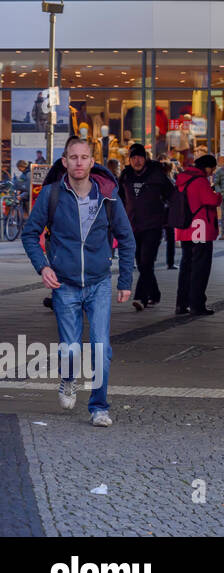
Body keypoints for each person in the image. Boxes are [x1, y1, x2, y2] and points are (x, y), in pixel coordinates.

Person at [20, 136, 135, 427]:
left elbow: (127, 238)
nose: (79, 163)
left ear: (92, 162)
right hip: (65, 285)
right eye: (73, 157)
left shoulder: (108, 196)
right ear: (65, 162)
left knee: (101, 348)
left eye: (84, 157)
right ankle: (68, 378)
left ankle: (99, 407)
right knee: (70, 349)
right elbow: (30, 234)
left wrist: (124, 281)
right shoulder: (51, 195)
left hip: (98, 284)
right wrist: (42, 267)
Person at [118, 143, 175, 311]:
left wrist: (168, 216)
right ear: (130, 159)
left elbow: (171, 196)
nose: (137, 161)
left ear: (145, 158)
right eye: (133, 158)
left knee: (146, 262)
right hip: (133, 227)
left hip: (153, 226)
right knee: (143, 264)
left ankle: (141, 298)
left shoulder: (157, 174)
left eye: (140, 157)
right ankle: (155, 294)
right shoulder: (126, 175)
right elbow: (119, 200)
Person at [174, 154, 220, 316]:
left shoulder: (182, 179)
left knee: (186, 267)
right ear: (206, 167)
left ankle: (181, 304)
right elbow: (212, 201)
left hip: (185, 228)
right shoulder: (200, 181)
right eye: (212, 169)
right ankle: (197, 304)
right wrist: (217, 194)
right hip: (199, 229)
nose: (212, 172)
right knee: (200, 268)